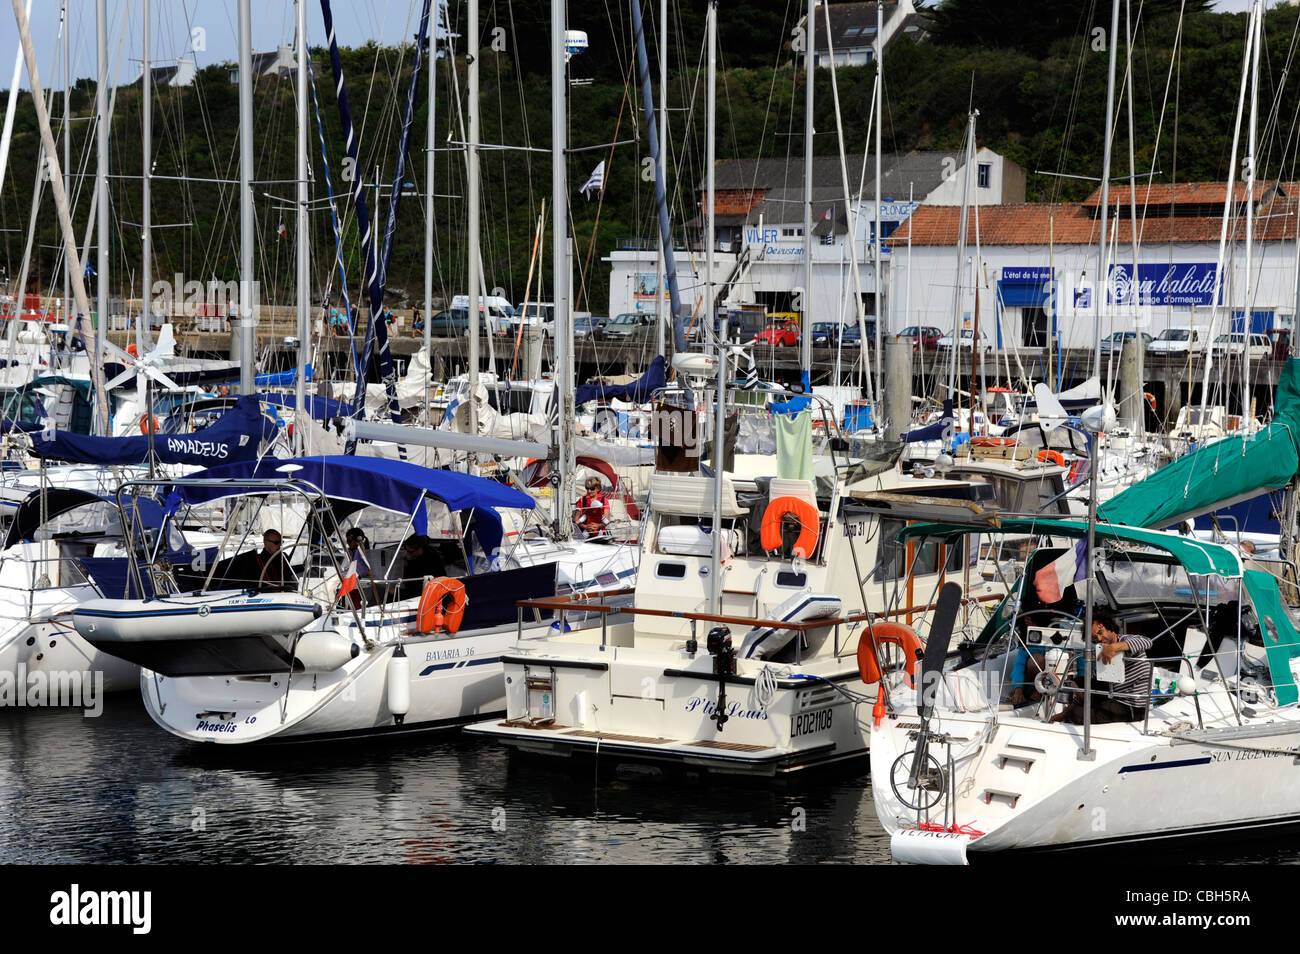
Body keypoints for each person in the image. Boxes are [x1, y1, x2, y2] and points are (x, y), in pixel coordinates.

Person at [1054, 609, 1153, 725]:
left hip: (1132, 706)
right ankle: (1082, 704)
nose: (1099, 639)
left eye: (1100, 633)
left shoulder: (1127, 640)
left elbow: (1147, 642)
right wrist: (1063, 714)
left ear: (1108, 627)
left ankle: (1085, 707)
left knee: (1077, 715)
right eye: (1095, 639)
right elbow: (1093, 685)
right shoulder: (1100, 653)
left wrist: (1114, 648)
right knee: (1080, 681)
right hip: (1112, 699)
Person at [218, 529, 295, 593]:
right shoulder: (254, 562)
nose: (280, 545)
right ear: (266, 543)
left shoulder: (284, 558)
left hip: (286, 593)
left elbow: (290, 577)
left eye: (281, 542)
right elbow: (251, 584)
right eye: (276, 542)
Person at [399, 534, 446, 600]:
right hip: (421, 588)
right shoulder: (427, 554)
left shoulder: (430, 560)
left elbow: (415, 588)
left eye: (410, 552)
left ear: (420, 548)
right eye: (406, 550)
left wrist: (398, 591)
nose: (408, 553)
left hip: (427, 593)